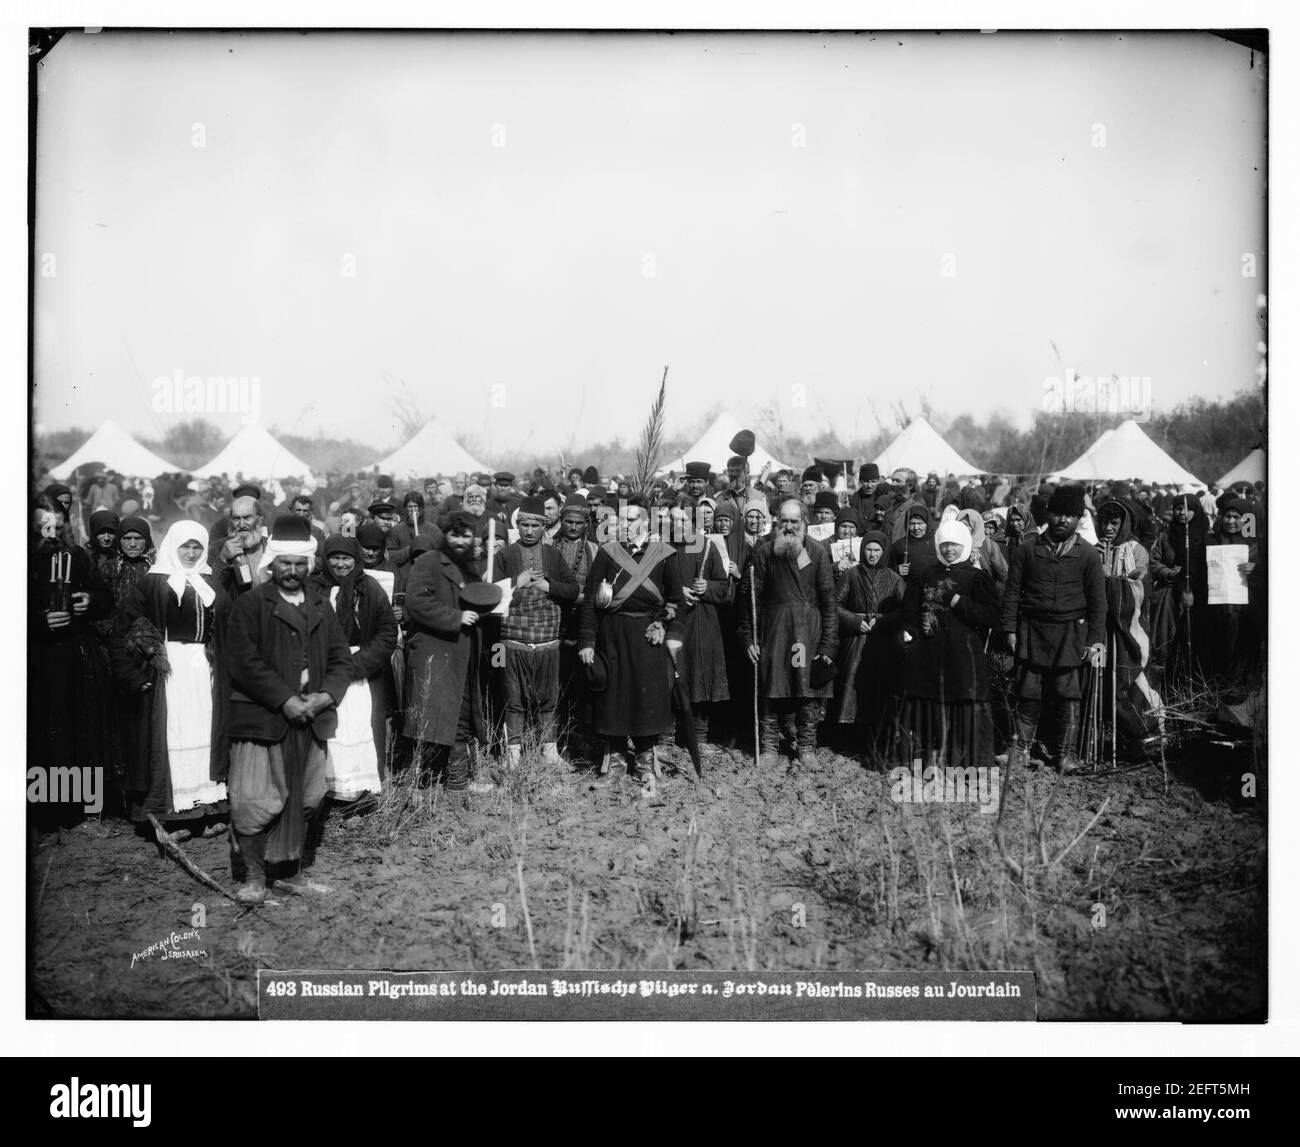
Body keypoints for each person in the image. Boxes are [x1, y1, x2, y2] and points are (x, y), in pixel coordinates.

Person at [225, 516, 354, 903]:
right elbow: (244, 662)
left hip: (311, 719)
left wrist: (325, 696)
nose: (293, 571)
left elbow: (341, 660)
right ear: (271, 563)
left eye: (301, 564)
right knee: (254, 799)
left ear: (310, 565)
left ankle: (291, 871)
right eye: (285, 563)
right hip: (263, 718)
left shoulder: (319, 605)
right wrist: (285, 699)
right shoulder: (251, 604)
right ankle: (253, 876)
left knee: (306, 797)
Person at [113, 521, 231, 840]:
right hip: (169, 673)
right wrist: (141, 670)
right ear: (172, 547)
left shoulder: (211, 582)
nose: (191, 553)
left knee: (204, 732)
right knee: (173, 735)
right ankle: (172, 817)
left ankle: (208, 811)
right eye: (185, 547)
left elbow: (228, 625)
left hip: (204, 672)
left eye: (197, 547)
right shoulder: (153, 584)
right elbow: (126, 630)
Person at [999, 485, 1107, 776]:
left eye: (1070, 515)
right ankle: (1019, 751)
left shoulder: (1087, 555)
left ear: (1078, 519)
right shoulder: (1027, 550)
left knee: (1067, 694)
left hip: (1071, 634)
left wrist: (1095, 639)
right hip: (1032, 630)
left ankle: (1066, 756)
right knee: (1028, 692)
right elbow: (1012, 593)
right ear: (1049, 514)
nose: (1063, 520)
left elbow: (1098, 602)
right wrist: (1010, 628)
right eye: (1058, 513)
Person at [578, 501, 684, 787]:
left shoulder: (663, 554)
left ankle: (645, 761)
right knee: (613, 697)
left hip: (649, 637)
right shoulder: (608, 552)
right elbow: (589, 602)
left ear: (646, 523)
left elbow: (675, 599)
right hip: (611, 635)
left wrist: (665, 626)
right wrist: (587, 640)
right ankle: (615, 762)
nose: (626, 523)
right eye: (622, 518)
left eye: (633, 518)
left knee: (646, 697)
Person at [28, 498, 117, 823]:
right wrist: (36, 621)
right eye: (43, 525)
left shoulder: (78, 557)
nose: (51, 532)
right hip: (38, 659)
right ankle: (47, 809)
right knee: (46, 728)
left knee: (81, 726)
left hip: (77, 655)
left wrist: (90, 601)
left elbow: (105, 597)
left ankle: (83, 803)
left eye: (57, 525)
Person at [738, 499, 838, 770]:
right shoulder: (765, 552)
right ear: (777, 522)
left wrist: (828, 645)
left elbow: (829, 602)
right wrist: (749, 639)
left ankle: (806, 747)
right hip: (774, 634)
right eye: (785, 521)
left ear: (804, 522)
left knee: (806, 691)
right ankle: (769, 747)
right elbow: (750, 601)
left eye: (795, 521)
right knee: (773, 689)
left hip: (807, 634)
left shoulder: (817, 553)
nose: (790, 526)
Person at [403, 512, 496, 793]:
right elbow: (416, 602)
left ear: (473, 538)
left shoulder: (471, 566)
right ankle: (430, 782)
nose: (459, 541)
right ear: (445, 535)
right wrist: (456, 618)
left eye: (465, 535)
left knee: (461, 715)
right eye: (454, 535)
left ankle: (456, 781)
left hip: (463, 654)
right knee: (437, 718)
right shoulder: (428, 561)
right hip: (436, 652)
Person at [898, 519, 1000, 768]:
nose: (949, 550)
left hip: (963, 656)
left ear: (964, 545)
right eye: (944, 545)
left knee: (962, 703)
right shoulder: (926, 575)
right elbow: (908, 612)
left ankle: (964, 762)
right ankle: (931, 761)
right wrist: (915, 625)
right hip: (930, 656)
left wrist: (958, 601)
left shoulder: (977, 578)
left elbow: (990, 616)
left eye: (954, 545)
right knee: (930, 706)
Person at [310, 535, 398, 800]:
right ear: (325, 560)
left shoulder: (370, 588)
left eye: (346, 558)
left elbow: (386, 632)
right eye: (334, 558)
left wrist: (357, 664)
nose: (340, 564)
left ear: (356, 559)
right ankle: (323, 791)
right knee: (328, 730)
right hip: (323, 670)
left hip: (361, 673)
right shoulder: (313, 588)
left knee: (360, 726)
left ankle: (359, 792)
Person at [493, 496, 580, 766]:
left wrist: (548, 586)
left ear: (544, 527)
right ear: (517, 526)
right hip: (512, 639)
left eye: (535, 525)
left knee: (548, 697)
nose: (529, 531)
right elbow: (492, 596)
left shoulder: (553, 555)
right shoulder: (504, 555)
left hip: (547, 639)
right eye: (524, 525)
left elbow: (573, 590)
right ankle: (513, 754)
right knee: (513, 697)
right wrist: (515, 583)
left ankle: (549, 751)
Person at [830, 529, 905, 762]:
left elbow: (905, 610)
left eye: (877, 550)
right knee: (850, 687)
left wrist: (883, 620)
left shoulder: (894, 579)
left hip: (883, 643)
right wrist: (855, 621)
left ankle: (877, 740)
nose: (872, 555)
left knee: (880, 690)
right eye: (869, 550)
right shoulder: (851, 575)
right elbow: (834, 605)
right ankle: (848, 738)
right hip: (855, 641)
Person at [665, 497, 733, 754]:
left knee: (701, 676)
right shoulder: (661, 549)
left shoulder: (706, 547)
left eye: (682, 519)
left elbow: (725, 587)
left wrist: (708, 587)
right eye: (673, 519)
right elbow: (650, 585)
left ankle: (700, 737)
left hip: (703, 622)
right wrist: (675, 591)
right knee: (670, 676)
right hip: (672, 621)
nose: (678, 523)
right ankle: (665, 737)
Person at [1148, 493, 1209, 677]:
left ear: (1196, 511)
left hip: (1197, 591)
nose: (1182, 512)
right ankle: (1166, 662)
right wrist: (1169, 573)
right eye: (1178, 508)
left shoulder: (1206, 535)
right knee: (1169, 629)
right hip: (1171, 589)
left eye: (1188, 509)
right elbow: (1154, 561)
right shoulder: (1165, 536)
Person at [211, 494, 266, 597]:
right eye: (236, 518)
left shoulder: (270, 546)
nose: (241, 524)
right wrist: (223, 560)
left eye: (247, 518)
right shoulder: (218, 547)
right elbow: (209, 589)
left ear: (260, 518)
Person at [889, 504, 937, 583]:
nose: (916, 528)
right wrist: (897, 569)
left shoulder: (937, 543)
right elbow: (886, 569)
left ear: (927, 524)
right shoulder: (899, 546)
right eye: (912, 524)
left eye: (920, 523)